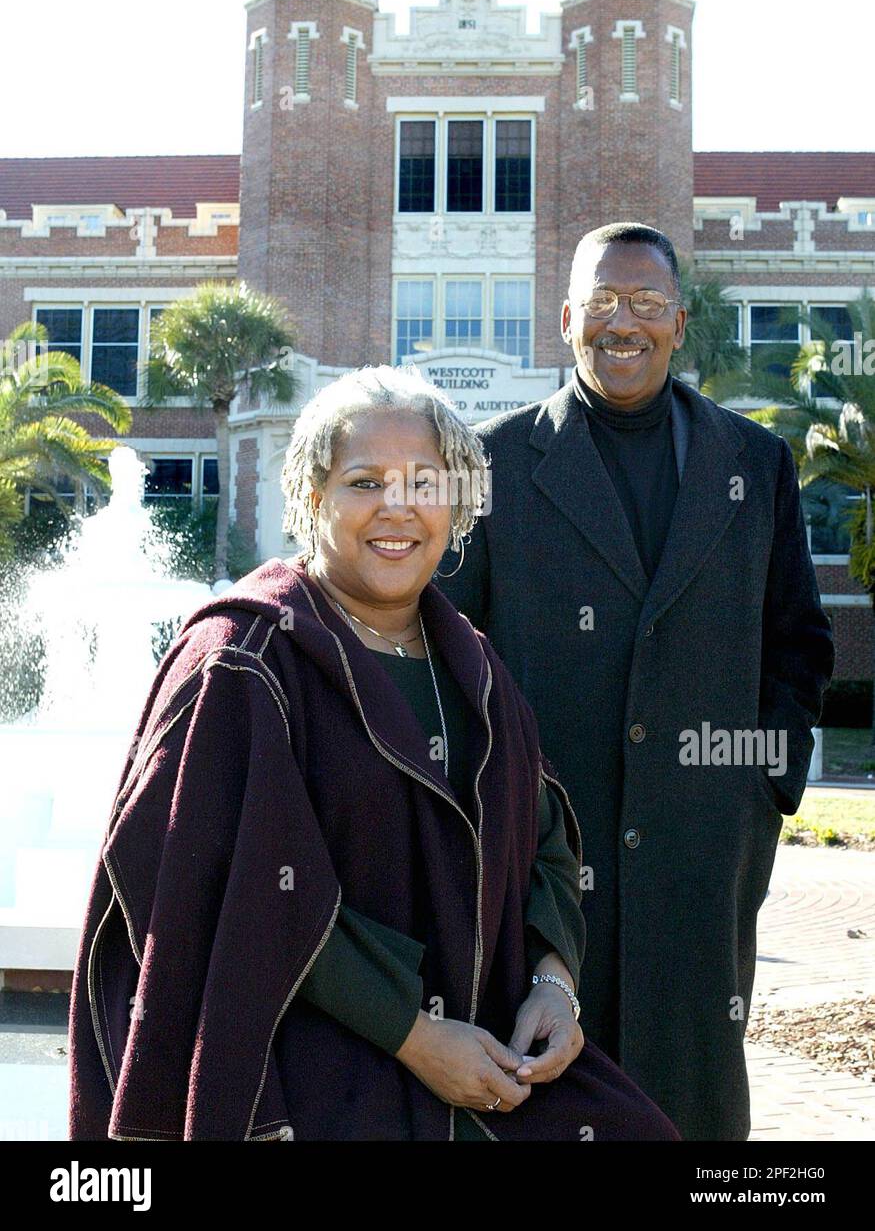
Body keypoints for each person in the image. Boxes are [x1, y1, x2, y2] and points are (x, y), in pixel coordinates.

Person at [67, 363, 680, 1142]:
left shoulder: (473, 663)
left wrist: (553, 983)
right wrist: (415, 1037)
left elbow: (546, 840)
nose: (399, 505)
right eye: (364, 482)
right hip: (303, 1056)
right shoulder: (242, 658)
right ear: (312, 497)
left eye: (425, 481)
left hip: (486, 1050)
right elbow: (231, 889)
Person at [438, 221, 835, 1142]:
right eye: (604, 303)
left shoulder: (754, 463)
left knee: (692, 1092)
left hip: (706, 845)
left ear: (678, 321)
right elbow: (448, 647)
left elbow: (798, 644)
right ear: (568, 317)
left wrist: (761, 789)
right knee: (544, 1090)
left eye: (648, 303)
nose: (626, 323)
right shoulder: (491, 465)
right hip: (542, 854)